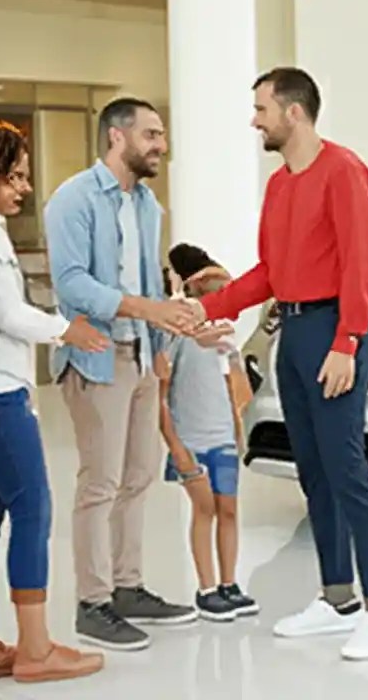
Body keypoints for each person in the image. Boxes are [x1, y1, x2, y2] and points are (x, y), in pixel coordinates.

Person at [189, 67, 368, 661]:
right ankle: (337, 599)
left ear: (294, 112)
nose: (254, 120)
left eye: (261, 109)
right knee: (313, 471)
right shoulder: (281, 185)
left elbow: (363, 262)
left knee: (346, 470)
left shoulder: (344, 171)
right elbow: (269, 273)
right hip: (294, 332)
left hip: (333, 331)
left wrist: (348, 341)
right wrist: (207, 307)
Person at [44, 96, 217, 651]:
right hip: (96, 355)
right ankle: (91, 603)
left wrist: (158, 344)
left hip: (141, 355)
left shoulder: (147, 205)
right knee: (100, 483)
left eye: (161, 134)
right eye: (151, 134)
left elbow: (147, 279)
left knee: (139, 476)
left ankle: (127, 586)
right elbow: (72, 284)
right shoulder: (72, 199)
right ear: (116, 137)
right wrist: (148, 312)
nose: (161, 145)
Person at [0, 120, 108, 684]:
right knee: (33, 508)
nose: (23, 188)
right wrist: (68, 330)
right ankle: (36, 650)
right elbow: (8, 314)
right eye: (14, 176)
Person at [157, 249, 258, 622]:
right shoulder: (174, 336)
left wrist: (238, 432)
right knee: (204, 509)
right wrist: (176, 447)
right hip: (191, 440)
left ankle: (230, 583)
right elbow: (160, 394)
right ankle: (207, 588)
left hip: (223, 437)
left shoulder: (223, 338)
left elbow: (235, 388)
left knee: (228, 509)